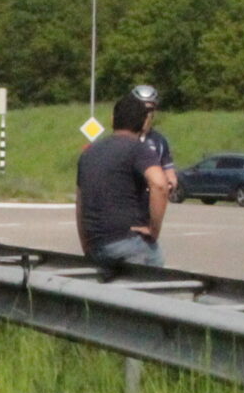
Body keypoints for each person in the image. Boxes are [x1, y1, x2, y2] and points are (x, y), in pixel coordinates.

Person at [76, 94, 172, 272]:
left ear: (113, 119)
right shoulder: (138, 149)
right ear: (144, 123)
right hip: (128, 243)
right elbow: (160, 185)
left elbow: (80, 203)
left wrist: (86, 245)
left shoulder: (89, 153)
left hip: (95, 244)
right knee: (155, 260)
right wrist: (153, 230)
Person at [131, 83, 180, 206]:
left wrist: (169, 184)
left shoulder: (159, 141)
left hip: (148, 203)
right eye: (140, 108)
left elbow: (170, 174)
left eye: (149, 109)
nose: (145, 113)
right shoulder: (123, 137)